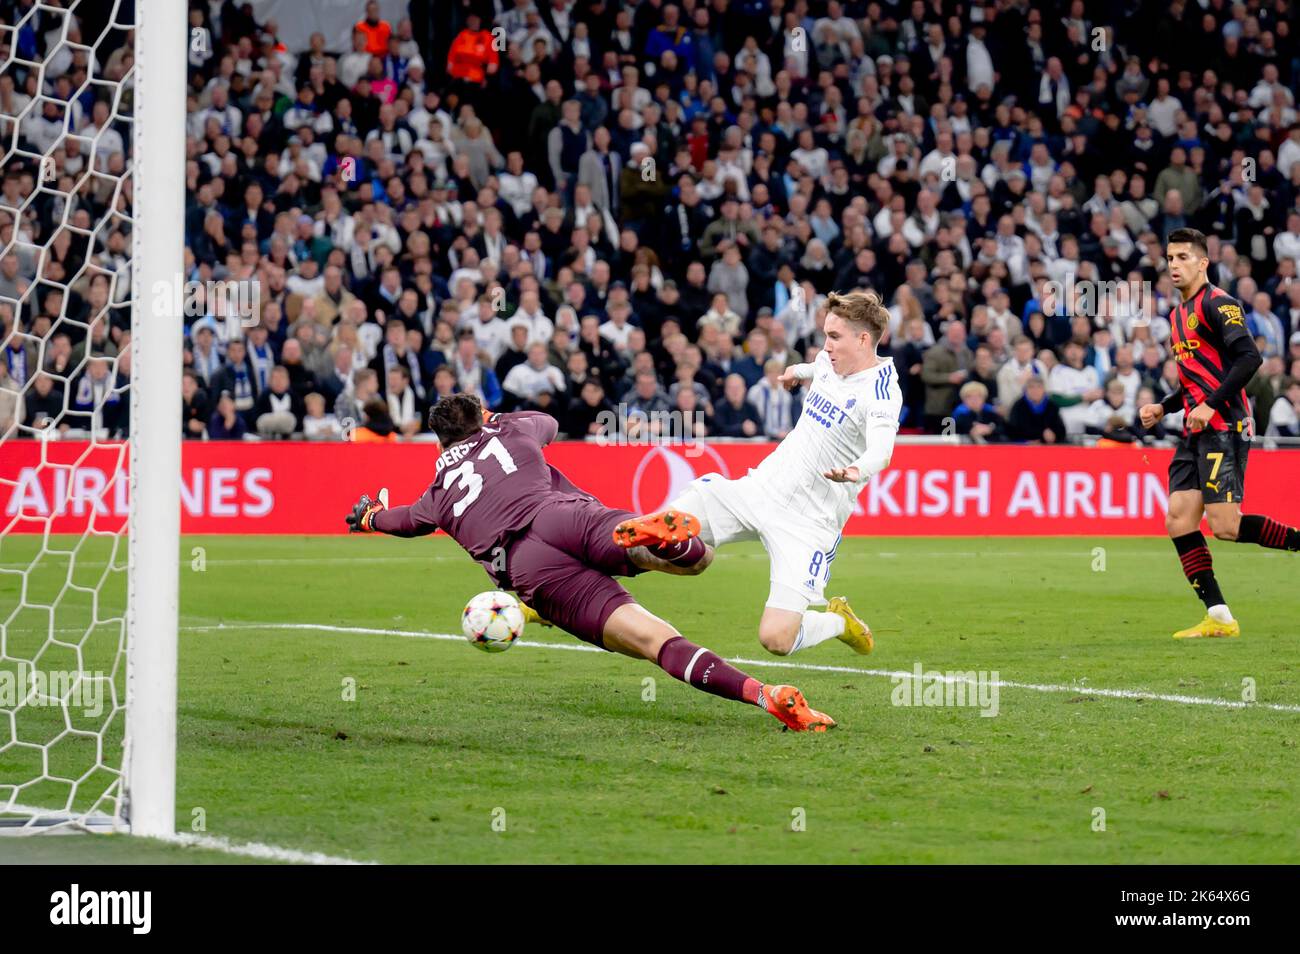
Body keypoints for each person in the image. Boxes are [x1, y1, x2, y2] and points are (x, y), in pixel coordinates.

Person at [345, 394, 834, 732]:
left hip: (531, 570)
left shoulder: (438, 493)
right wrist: (497, 421)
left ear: (438, 443)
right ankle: (656, 541)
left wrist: (369, 517)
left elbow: (406, 521)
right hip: (562, 516)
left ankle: (764, 695)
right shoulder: (510, 431)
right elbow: (550, 425)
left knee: (653, 641)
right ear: (484, 415)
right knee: (697, 560)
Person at [617, 290, 899, 659]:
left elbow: (882, 450)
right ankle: (557, 592)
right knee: (656, 535)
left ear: (864, 339)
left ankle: (838, 622)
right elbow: (820, 370)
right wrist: (799, 373)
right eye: (825, 335)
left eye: (834, 337)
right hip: (759, 489)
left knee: (777, 639)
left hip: (808, 523)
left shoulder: (882, 392)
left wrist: (856, 469)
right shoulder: (827, 361)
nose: (825, 345)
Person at [1137, 228, 1300, 639]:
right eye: (1170, 258)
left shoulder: (1218, 304)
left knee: (1225, 526)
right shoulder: (1176, 316)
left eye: (1183, 258)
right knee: (1178, 518)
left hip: (1224, 425)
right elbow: (1196, 379)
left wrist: (1210, 405)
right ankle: (1219, 616)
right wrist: (1165, 406)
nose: (1174, 265)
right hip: (1195, 427)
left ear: (1203, 262)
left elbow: (1249, 358)